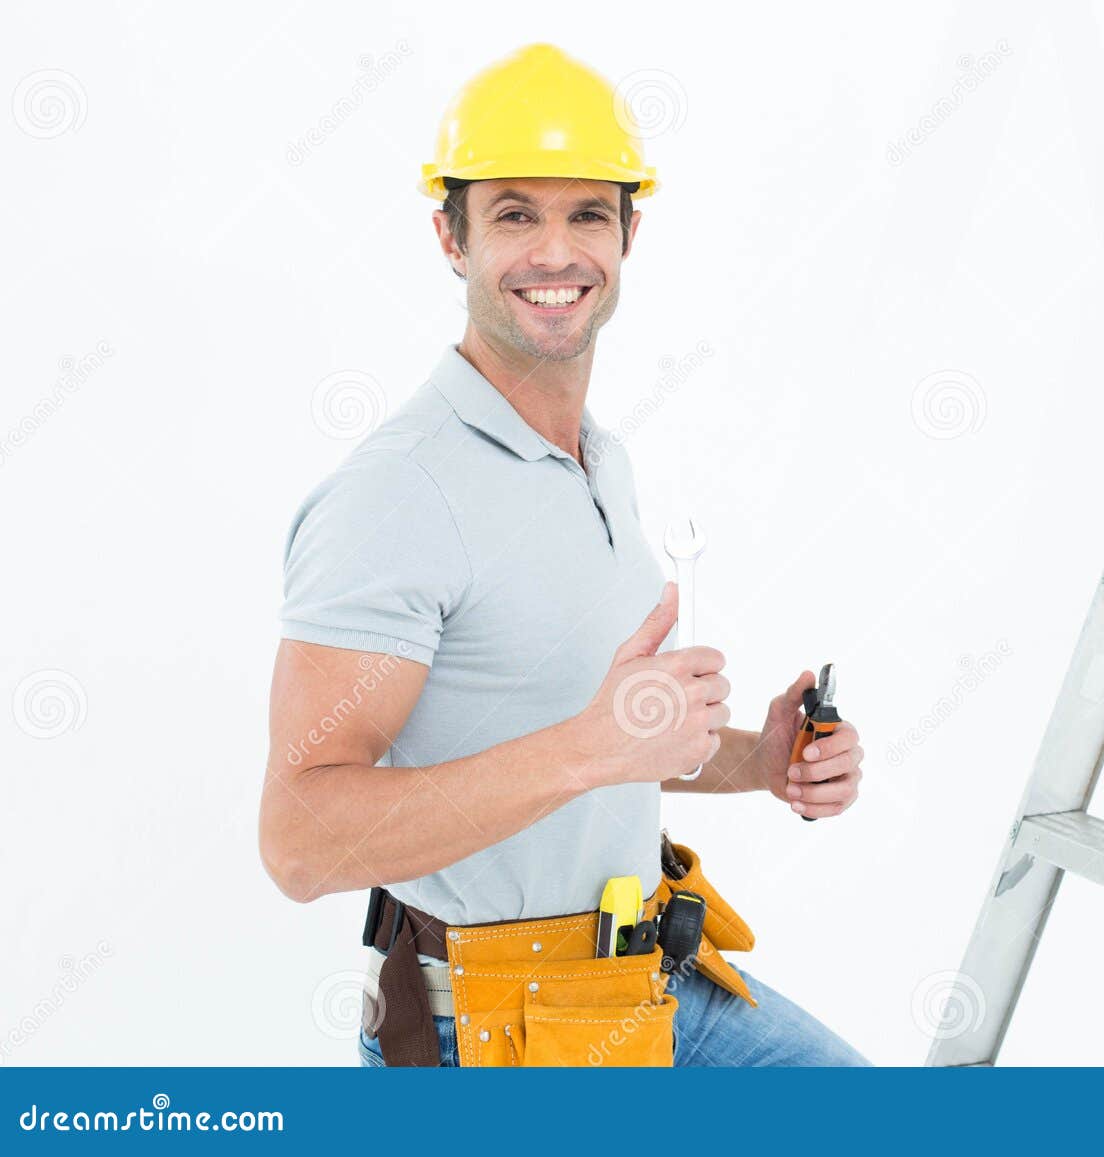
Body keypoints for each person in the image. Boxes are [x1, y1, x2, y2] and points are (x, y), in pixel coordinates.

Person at [258, 43, 868, 1067]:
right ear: (450, 236)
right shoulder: (398, 492)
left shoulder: (598, 458)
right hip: (497, 1035)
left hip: (651, 976)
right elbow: (300, 839)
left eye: (586, 213)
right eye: (513, 213)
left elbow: (583, 745)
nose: (555, 251)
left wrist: (756, 763)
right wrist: (592, 744)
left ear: (630, 231)